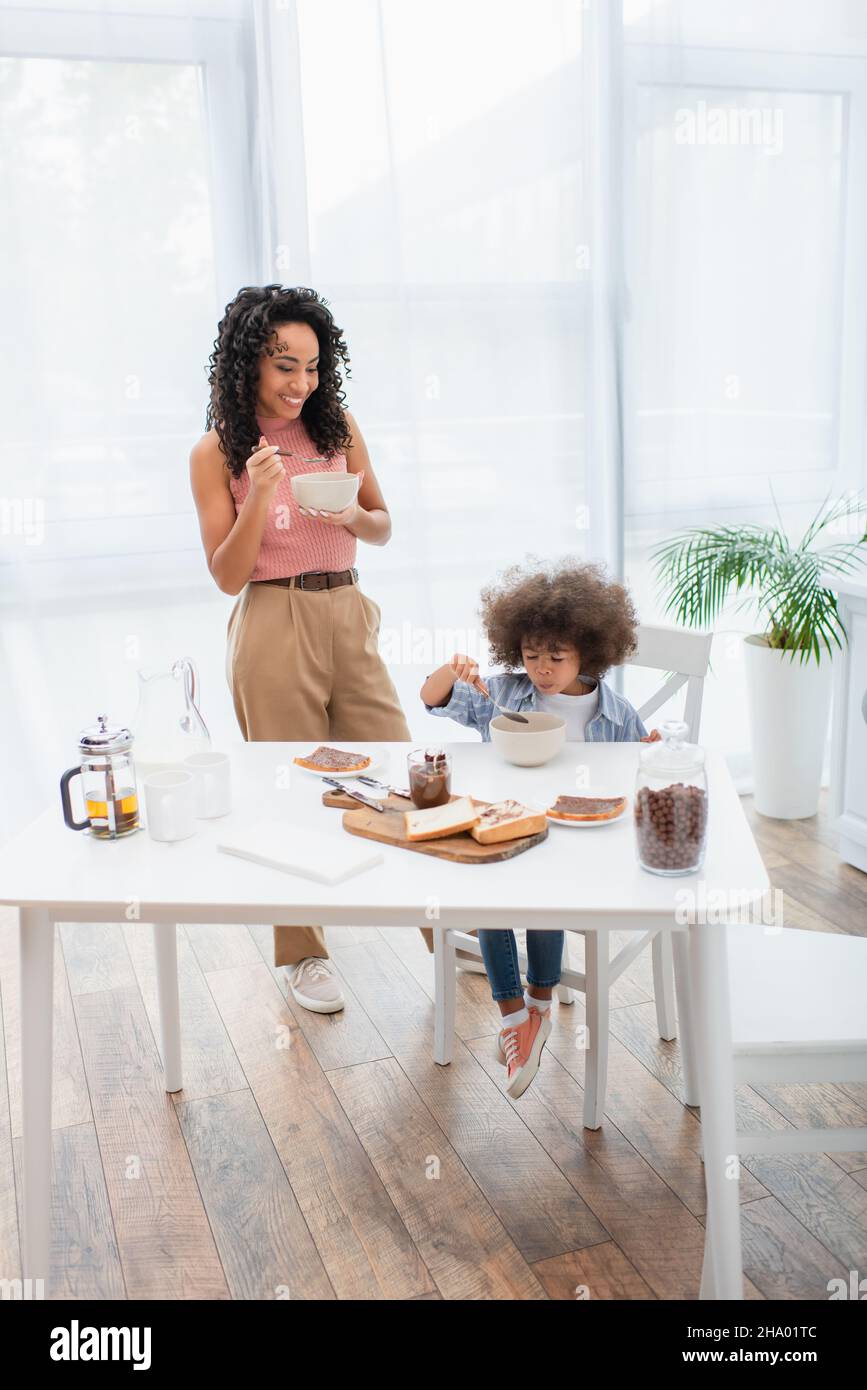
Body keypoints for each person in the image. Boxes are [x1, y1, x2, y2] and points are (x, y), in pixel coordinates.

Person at [190, 284, 415, 1014]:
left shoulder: (337, 426)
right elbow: (227, 576)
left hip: (347, 608)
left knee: (394, 775)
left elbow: (380, 526)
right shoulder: (213, 452)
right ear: (246, 364)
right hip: (271, 621)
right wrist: (258, 494)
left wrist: (351, 511)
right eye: (284, 366)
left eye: (312, 367)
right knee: (287, 793)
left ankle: (443, 927)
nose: (300, 385)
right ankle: (304, 955)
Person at [419, 558, 660, 1098]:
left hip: (576, 844)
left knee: (547, 890)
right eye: (531, 656)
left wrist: (650, 753)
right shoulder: (502, 696)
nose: (543, 669)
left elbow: (638, 766)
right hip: (507, 831)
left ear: (590, 653)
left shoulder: (615, 712)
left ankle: (539, 1004)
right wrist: (450, 669)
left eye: (557, 657)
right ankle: (514, 1019)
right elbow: (433, 699)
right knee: (486, 892)